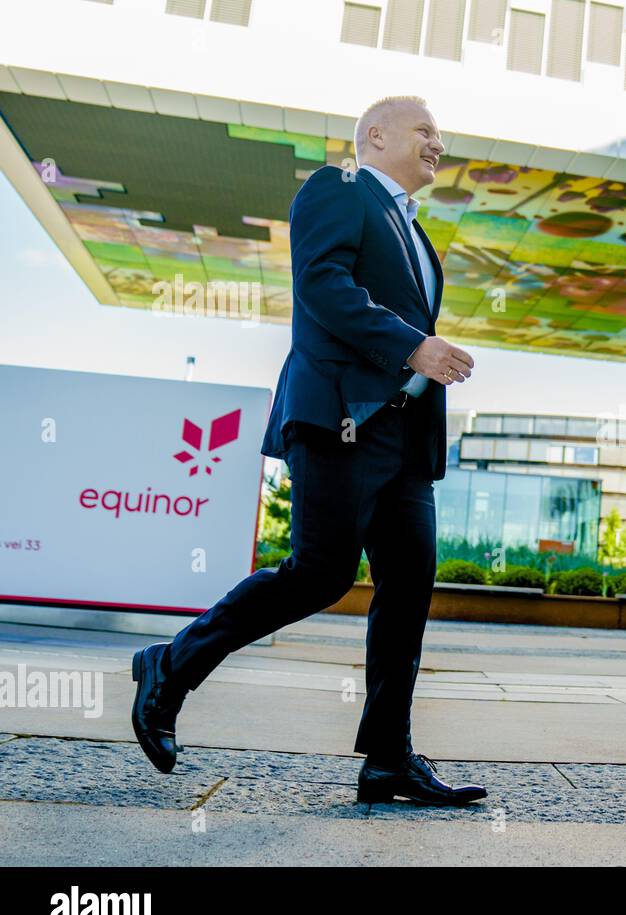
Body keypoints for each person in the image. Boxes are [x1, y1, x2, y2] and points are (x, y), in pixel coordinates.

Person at [131, 95, 486, 807]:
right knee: (320, 573)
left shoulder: (420, 238)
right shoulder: (339, 189)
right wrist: (414, 344)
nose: (437, 144)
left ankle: (388, 758)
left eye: (440, 134)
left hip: (403, 436)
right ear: (375, 136)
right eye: (425, 130)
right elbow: (322, 286)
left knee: (409, 584)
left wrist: (424, 365)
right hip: (337, 418)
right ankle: (170, 667)